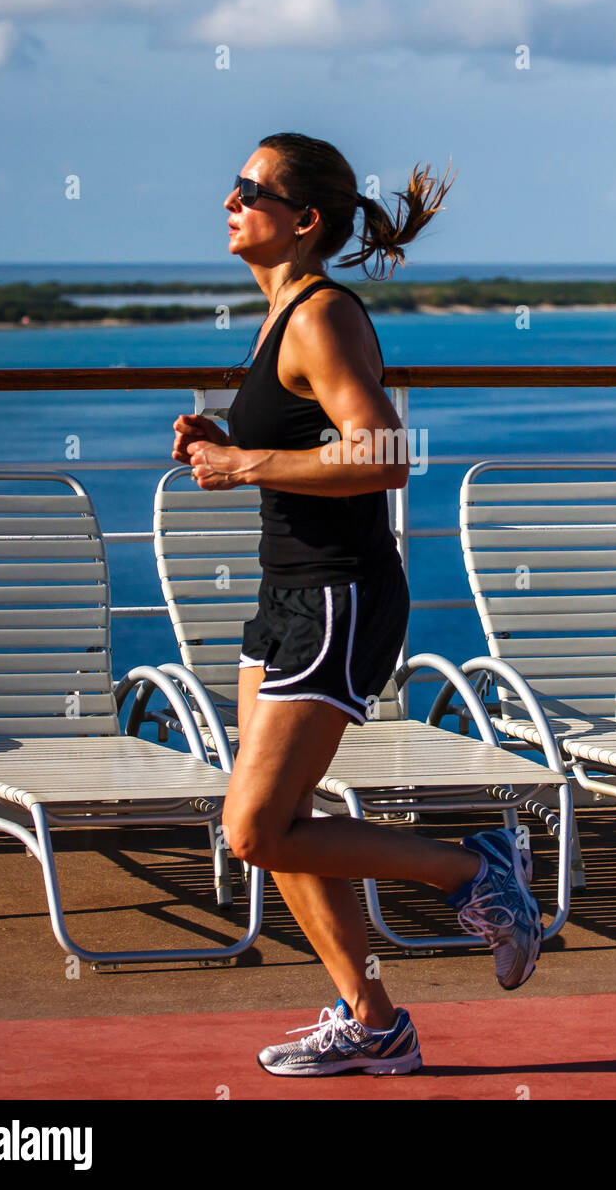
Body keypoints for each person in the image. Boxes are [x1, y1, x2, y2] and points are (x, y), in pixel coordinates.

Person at [172, 131, 541, 1077]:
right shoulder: (281, 312)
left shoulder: (320, 316)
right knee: (281, 827)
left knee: (254, 829)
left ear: (302, 220)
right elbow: (312, 437)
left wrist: (243, 460)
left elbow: (383, 454)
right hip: (286, 593)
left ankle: (475, 867)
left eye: (249, 189)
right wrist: (227, 439)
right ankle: (372, 1020)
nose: (229, 199)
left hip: (337, 597)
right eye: (233, 183)